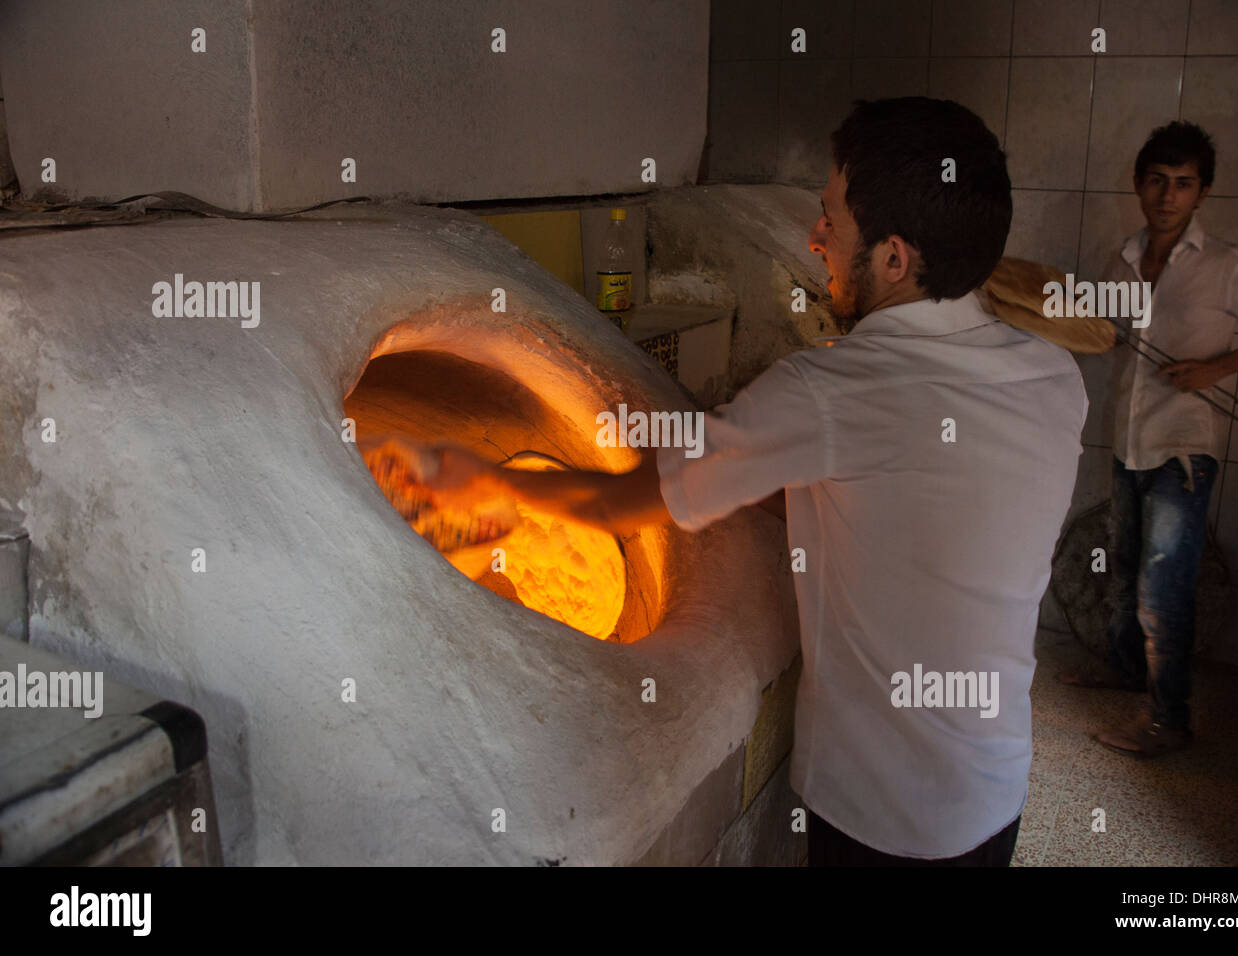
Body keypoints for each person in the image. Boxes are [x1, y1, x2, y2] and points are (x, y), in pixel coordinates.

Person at [411, 98, 1087, 865]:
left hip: (885, 811)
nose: (815, 238)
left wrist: (490, 483)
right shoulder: (1053, 376)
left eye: (832, 220)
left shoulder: (834, 388)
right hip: (993, 784)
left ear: (895, 258)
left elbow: (625, 503)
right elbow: (901, 490)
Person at [1058, 122, 1238, 757]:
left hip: (1183, 450)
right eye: (1158, 181)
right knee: (1126, 566)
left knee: (1164, 587)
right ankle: (1126, 671)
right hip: (1128, 441)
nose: (1169, 195)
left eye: (1183, 184)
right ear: (1140, 186)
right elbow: (1106, 332)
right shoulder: (1124, 260)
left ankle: (1170, 719)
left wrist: (1217, 370)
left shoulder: (1229, 266)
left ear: (1203, 192)